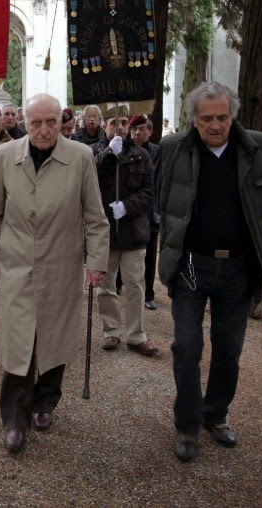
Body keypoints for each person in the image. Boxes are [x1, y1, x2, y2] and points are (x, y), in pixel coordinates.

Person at [155, 81, 262, 462]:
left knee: (228, 349)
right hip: (192, 266)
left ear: (233, 116)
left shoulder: (258, 146)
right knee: (186, 346)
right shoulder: (173, 148)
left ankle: (216, 414)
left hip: (237, 268)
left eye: (222, 118)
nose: (215, 125)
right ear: (193, 119)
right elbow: (166, 204)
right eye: (206, 118)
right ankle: (187, 426)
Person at [0, 93, 110, 454]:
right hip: (16, 263)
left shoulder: (81, 157)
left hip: (61, 264)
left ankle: (45, 403)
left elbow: (97, 219)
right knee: (20, 340)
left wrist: (96, 261)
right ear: (23, 121)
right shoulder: (5, 156)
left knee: (53, 337)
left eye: (51, 121)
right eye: (35, 122)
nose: (44, 129)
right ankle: (14, 420)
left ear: (63, 121)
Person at [94, 114, 159, 357]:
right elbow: (90, 179)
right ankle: (111, 331)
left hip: (133, 230)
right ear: (104, 127)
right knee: (106, 285)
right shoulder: (94, 152)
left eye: (124, 123)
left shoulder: (141, 155)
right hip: (105, 231)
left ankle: (136, 335)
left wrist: (127, 206)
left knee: (135, 284)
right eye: (114, 123)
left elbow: (149, 190)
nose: (120, 127)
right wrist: (108, 155)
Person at [130, 115, 161, 310]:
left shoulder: (157, 152)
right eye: (134, 129)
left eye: (142, 129)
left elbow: (159, 182)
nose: (137, 133)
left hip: (150, 211)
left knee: (149, 254)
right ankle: (119, 284)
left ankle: (148, 292)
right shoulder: (125, 150)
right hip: (130, 208)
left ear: (149, 131)